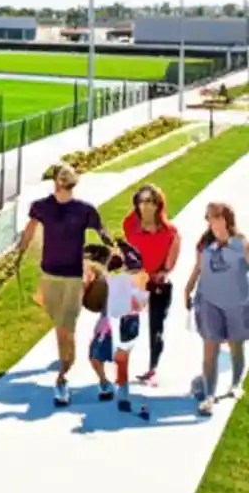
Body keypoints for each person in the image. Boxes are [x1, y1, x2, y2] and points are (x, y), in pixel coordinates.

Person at [18, 163, 115, 406]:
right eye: (62, 175)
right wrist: (19, 254)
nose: (65, 178)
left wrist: (113, 247)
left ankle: (63, 378)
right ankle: (67, 361)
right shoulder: (41, 207)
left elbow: (101, 230)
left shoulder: (84, 210)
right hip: (49, 276)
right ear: (56, 180)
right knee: (58, 323)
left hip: (74, 277)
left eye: (69, 175)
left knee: (65, 327)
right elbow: (29, 232)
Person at [184, 202, 249, 415]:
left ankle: (235, 384)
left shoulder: (242, 244)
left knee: (235, 346)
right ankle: (209, 395)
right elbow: (198, 268)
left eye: (213, 216)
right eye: (208, 217)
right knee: (210, 349)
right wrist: (187, 289)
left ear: (225, 219)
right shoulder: (204, 245)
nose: (209, 221)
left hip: (238, 304)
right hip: (209, 302)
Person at [123, 184, 181, 385]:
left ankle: (152, 369)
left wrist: (162, 274)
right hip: (134, 280)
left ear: (158, 205)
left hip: (157, 282)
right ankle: (122, 366)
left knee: (156, 327)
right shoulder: (130, 225)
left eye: (150, 201)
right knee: (126, 324)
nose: (145, 206)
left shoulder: (171, 232)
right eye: (141, 201)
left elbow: (170, 264)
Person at [86, 242, 149, 412]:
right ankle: (105, 382)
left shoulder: (136, 279)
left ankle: (122, 394)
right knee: (94, 356)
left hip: (128, 322)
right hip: (109, 323)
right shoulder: (110, 277)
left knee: (121, 360)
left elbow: (141, 303)